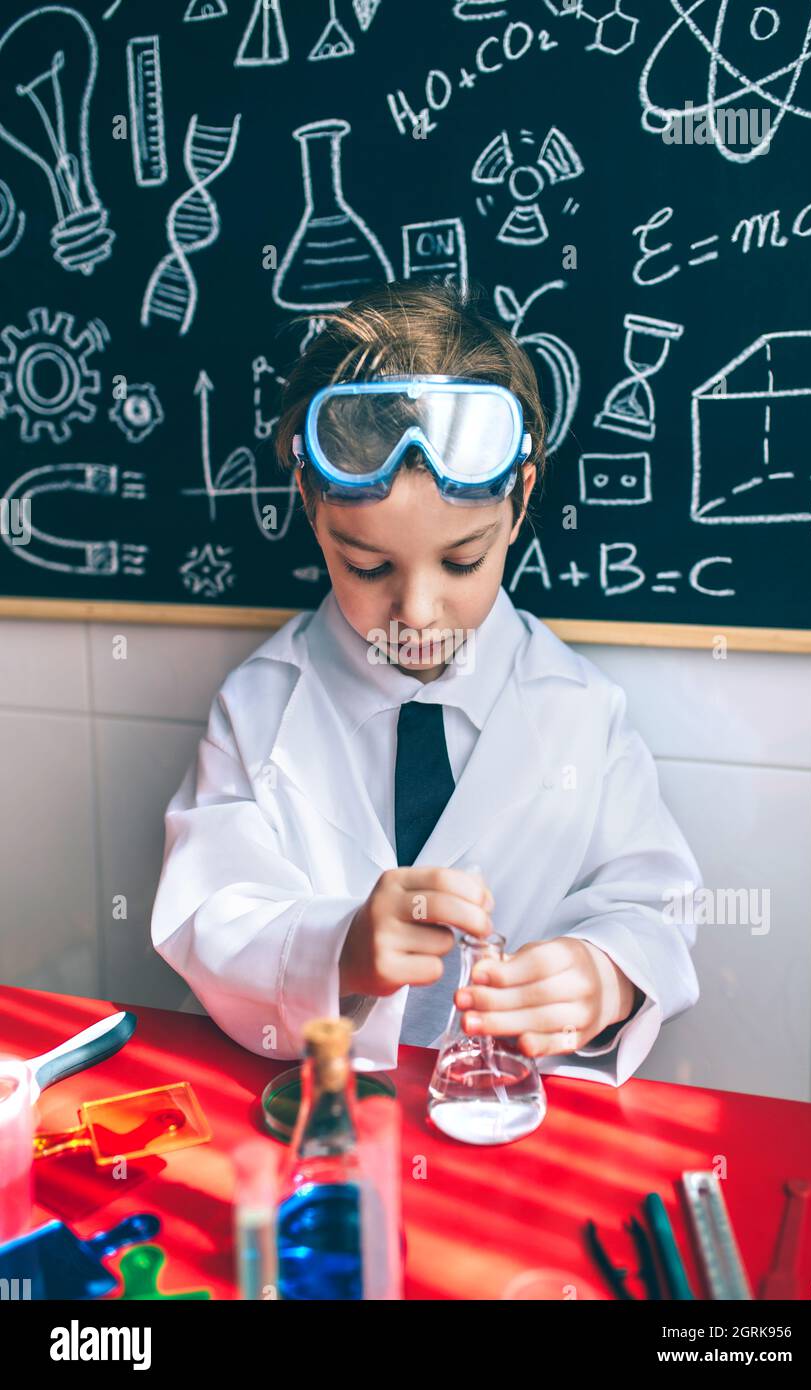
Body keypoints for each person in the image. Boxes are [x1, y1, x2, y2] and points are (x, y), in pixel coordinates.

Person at [150, 279, 701, 1087]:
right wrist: (337, 946)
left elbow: (655, 900)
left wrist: (603, 973)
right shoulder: (260, 706)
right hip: (319, 1125)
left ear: (520, 501)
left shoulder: (582, 712)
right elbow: (206, 915)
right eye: (367, 564)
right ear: (309, 504)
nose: (417, 609)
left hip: (503, 1135)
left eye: (462, 560)